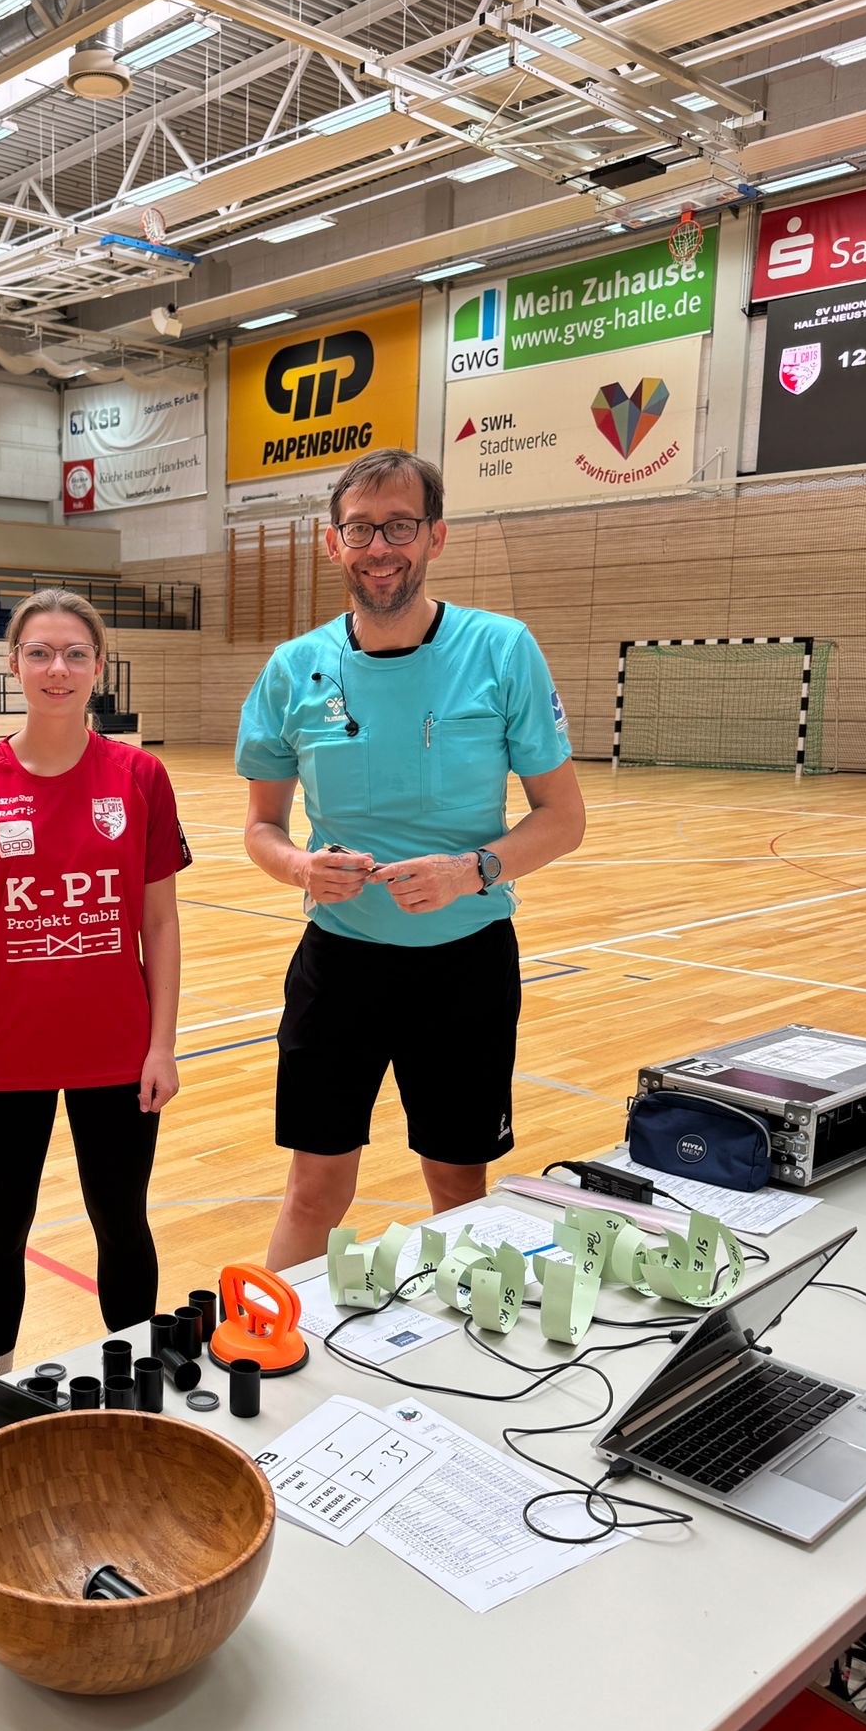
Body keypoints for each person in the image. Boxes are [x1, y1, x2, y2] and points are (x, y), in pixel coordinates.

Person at [235, 446, 585, 1269]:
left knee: (458, 1185)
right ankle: (282, 1357)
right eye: (361, 529)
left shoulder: (501, 649)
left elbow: (563, 818)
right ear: (333, 544)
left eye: (399, 525)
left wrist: (471, 871)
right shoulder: (294, 668)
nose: (379, 547)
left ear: (436, 537)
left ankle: (464, 1362)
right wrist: (298, 868)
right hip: (339, 967)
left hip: (464, 968)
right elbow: (261, 827)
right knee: (313, 1193)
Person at [0, 588, 189, 1375]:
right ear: (14, 664)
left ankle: (132, 1386)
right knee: (0, 1227)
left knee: (121, 1220)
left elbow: (162, 924)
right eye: (39, 652)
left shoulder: (141, 777)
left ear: (98, 667)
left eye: (76, 653)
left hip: (117, 1051)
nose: (57, 668)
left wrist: (162, 1045)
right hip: (5, 1056)